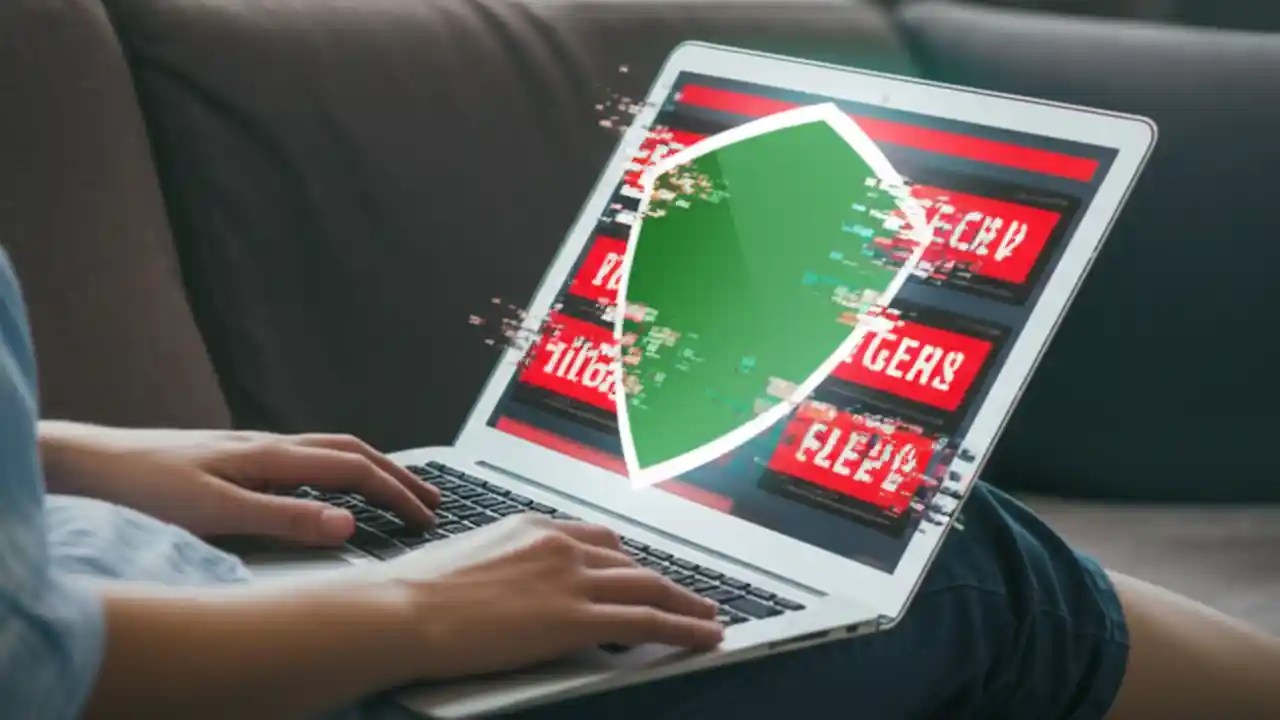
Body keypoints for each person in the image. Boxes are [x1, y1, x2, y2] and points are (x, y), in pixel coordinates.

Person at [1, 246, 1277, 720]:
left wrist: (55, 457)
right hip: (179, 664)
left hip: (110, 562)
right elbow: (37, 674)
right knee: (948, 568)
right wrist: (413, 614)